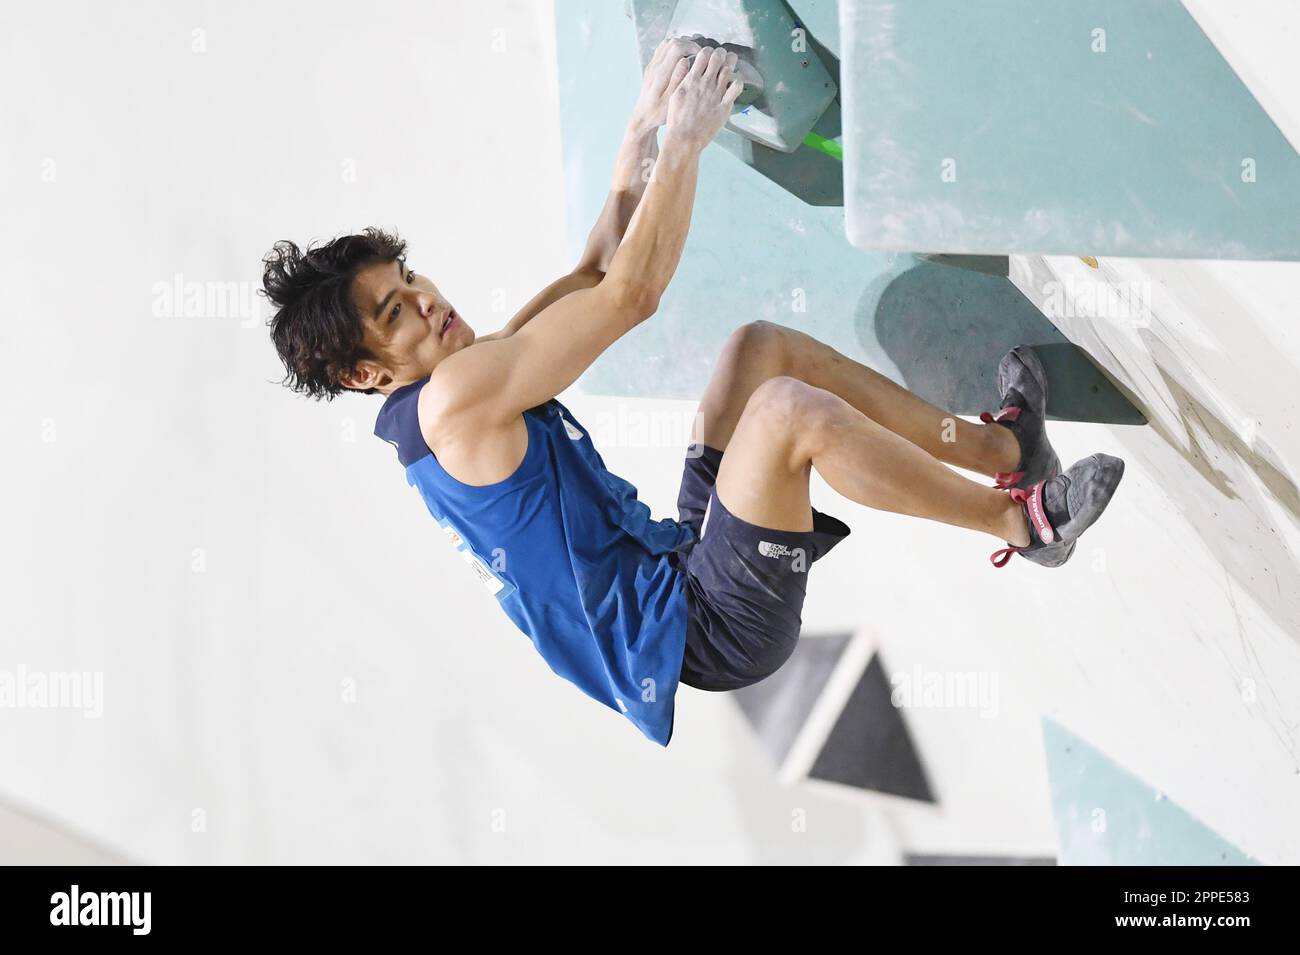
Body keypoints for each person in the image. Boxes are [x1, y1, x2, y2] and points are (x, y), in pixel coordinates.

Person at [262, 41, 1123, 746]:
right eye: (395, 310)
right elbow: (629, 297)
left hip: (679, 556)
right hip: (708, 624)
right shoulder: (452, 405)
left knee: (761, 350)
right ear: (365, 374)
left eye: (410, 276)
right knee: (787, 410)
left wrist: (637, 139)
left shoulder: (452, 385)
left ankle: (1007, 450)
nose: (426, 299)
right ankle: (1025, 522)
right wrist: (685, 145)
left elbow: (590, 272)